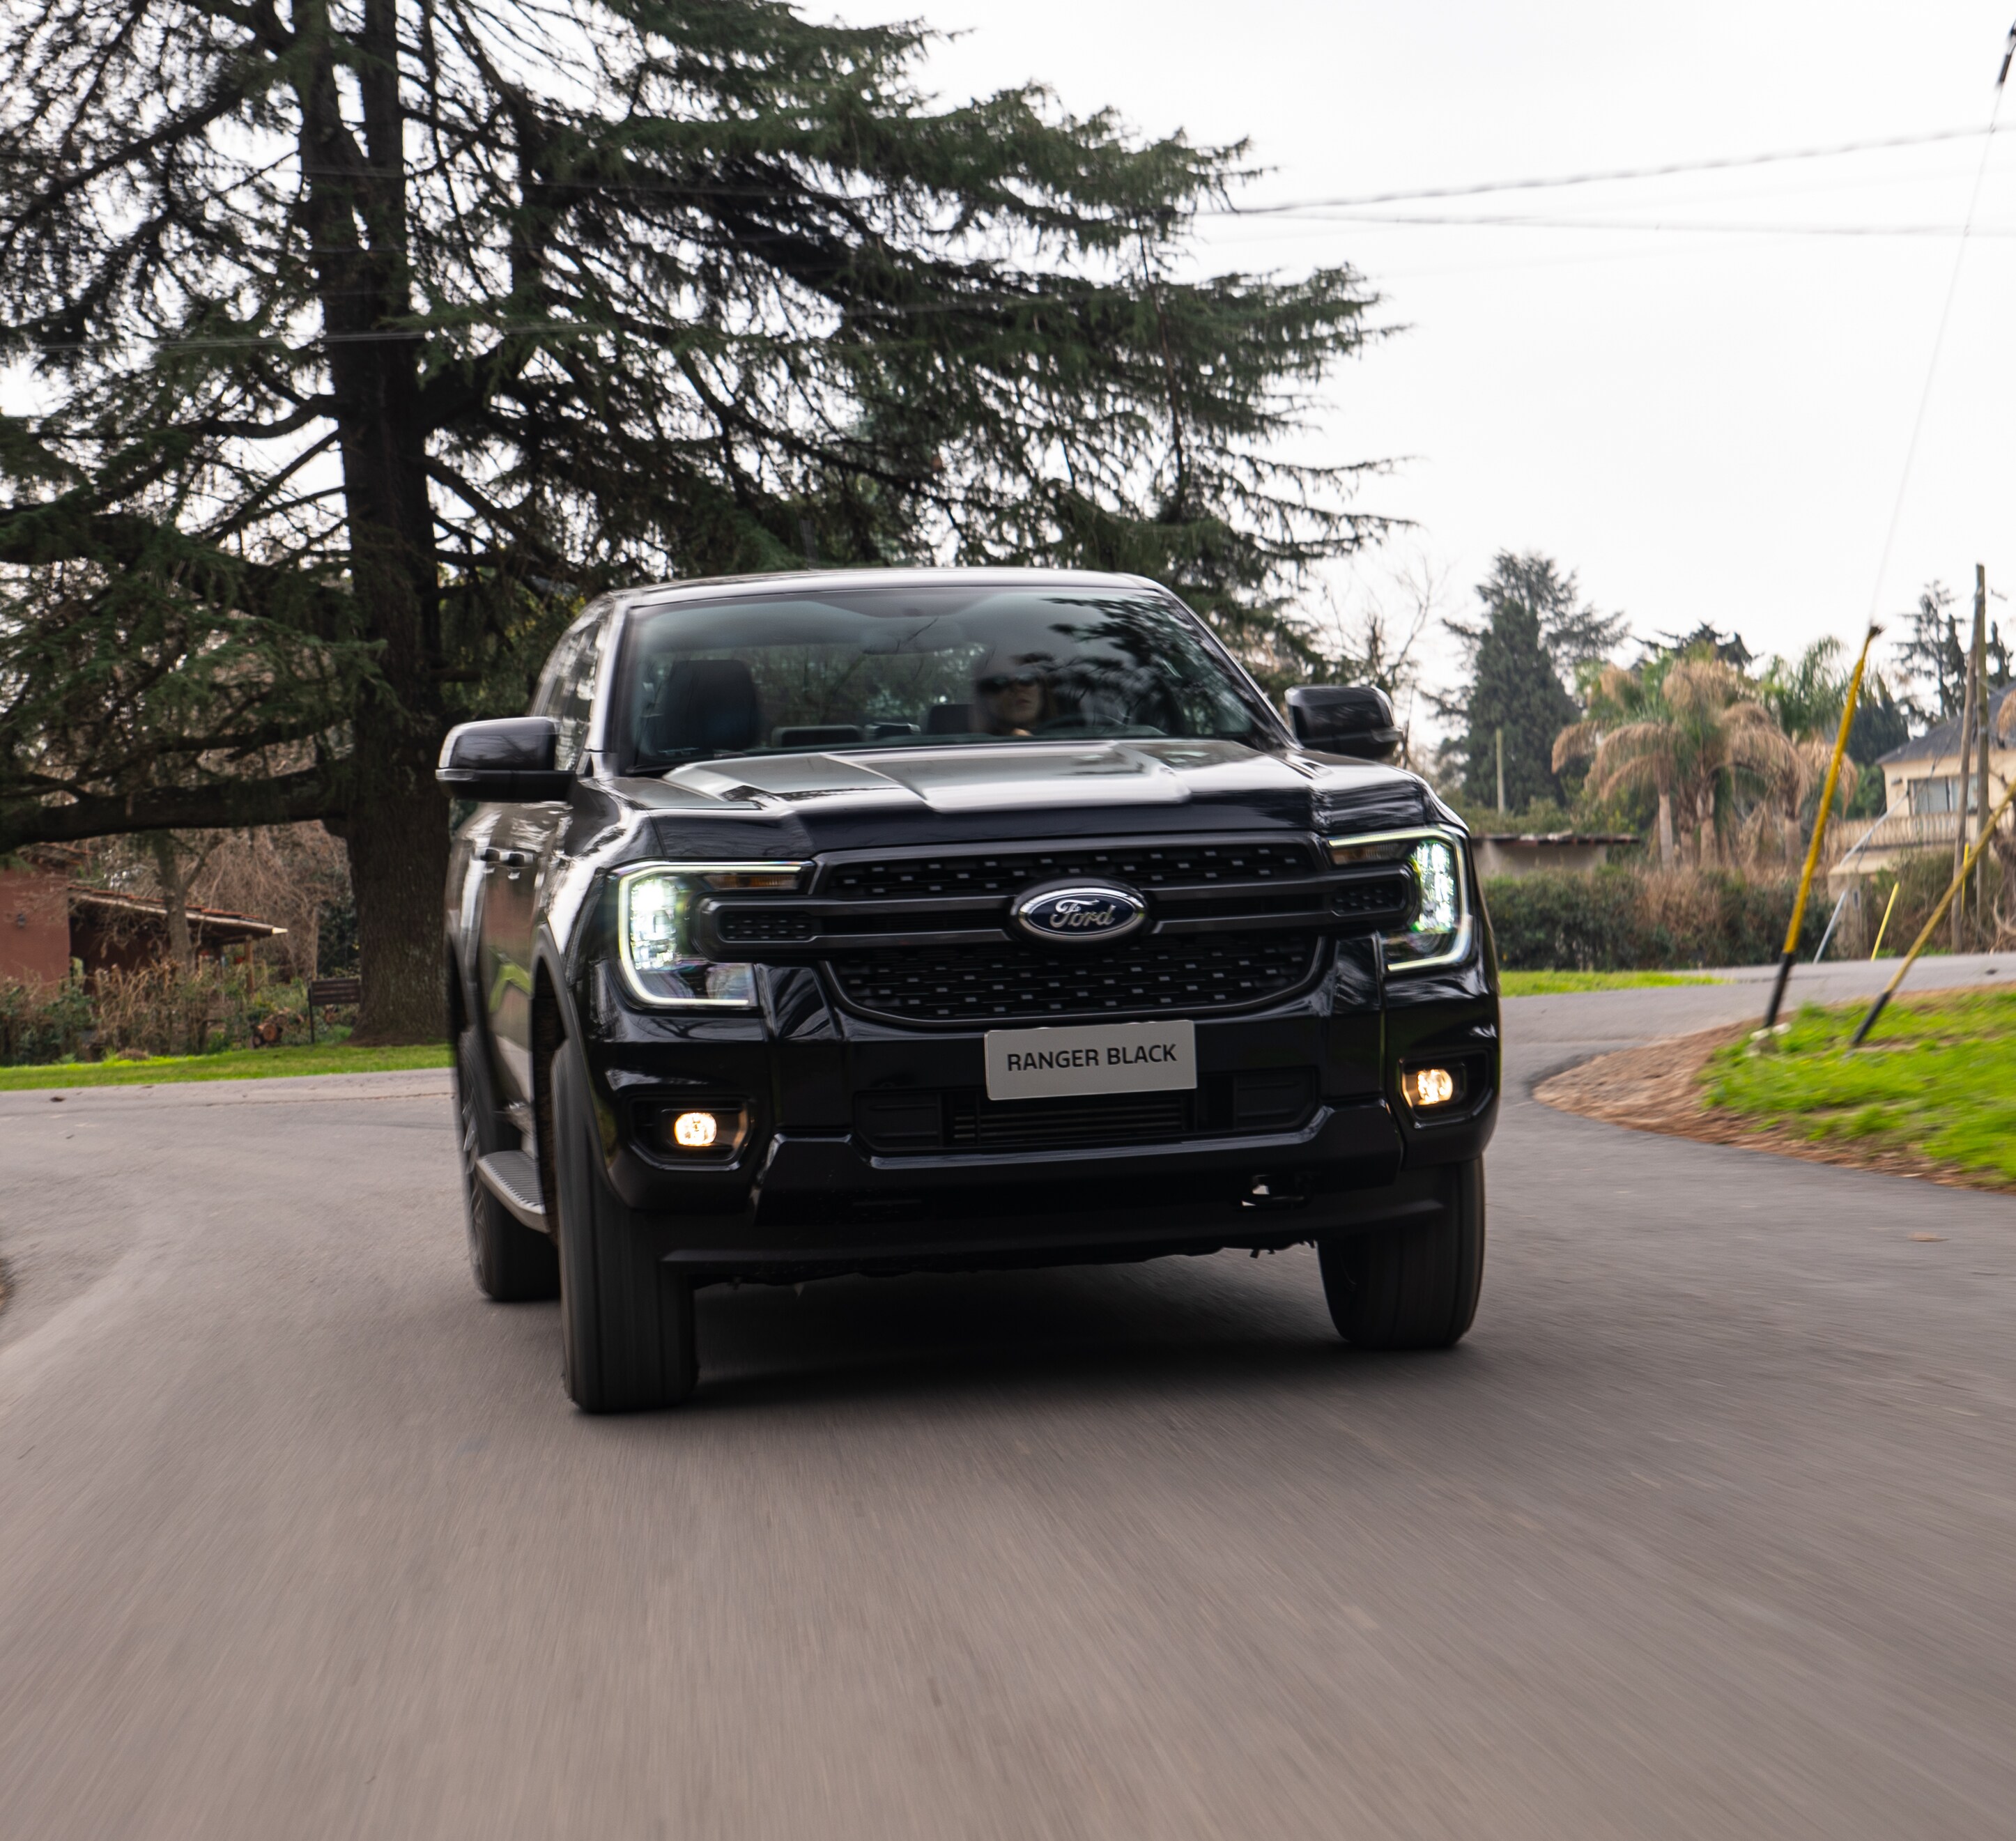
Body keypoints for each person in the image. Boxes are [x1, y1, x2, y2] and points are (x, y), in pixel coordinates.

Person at [972, 652, 1054, 736]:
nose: (1017, 688)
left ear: (1042, 688)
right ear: (984, 700)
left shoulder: (1065, 735)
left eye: (1027, 677)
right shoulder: (972, 745)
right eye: (999, 681)